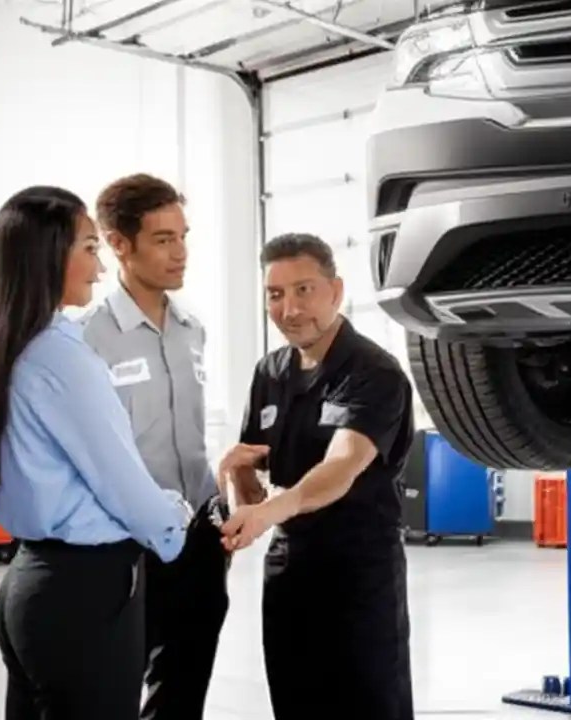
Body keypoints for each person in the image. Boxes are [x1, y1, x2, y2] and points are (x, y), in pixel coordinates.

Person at [0, 185, 195, 720]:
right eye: (89, 248)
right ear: (49, 256)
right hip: (83, 594)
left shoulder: (5, 344)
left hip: (31, 582)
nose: (98, 267)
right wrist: (177, 525)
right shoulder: (61, 355)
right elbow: (120, 480)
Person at [218, 232, 416, 720]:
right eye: (275, 294)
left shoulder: (374, 372)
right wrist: (239, 478)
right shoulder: (270, 372)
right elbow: (257, 470)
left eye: (303, 290)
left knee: (367, 703)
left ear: (336, 290)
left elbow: (341, 467)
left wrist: (271, 509)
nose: (289, 309)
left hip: (358, 569)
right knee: (295, 699)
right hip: (288, 567)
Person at [81, 173, 229, 720]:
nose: (181, 252)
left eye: (183, 236)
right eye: (163, 239)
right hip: (129, 540)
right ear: (119, 244)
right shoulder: (88, 337)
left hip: (199, 532)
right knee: (116, 680)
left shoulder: (193, 329)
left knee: (187, 678)